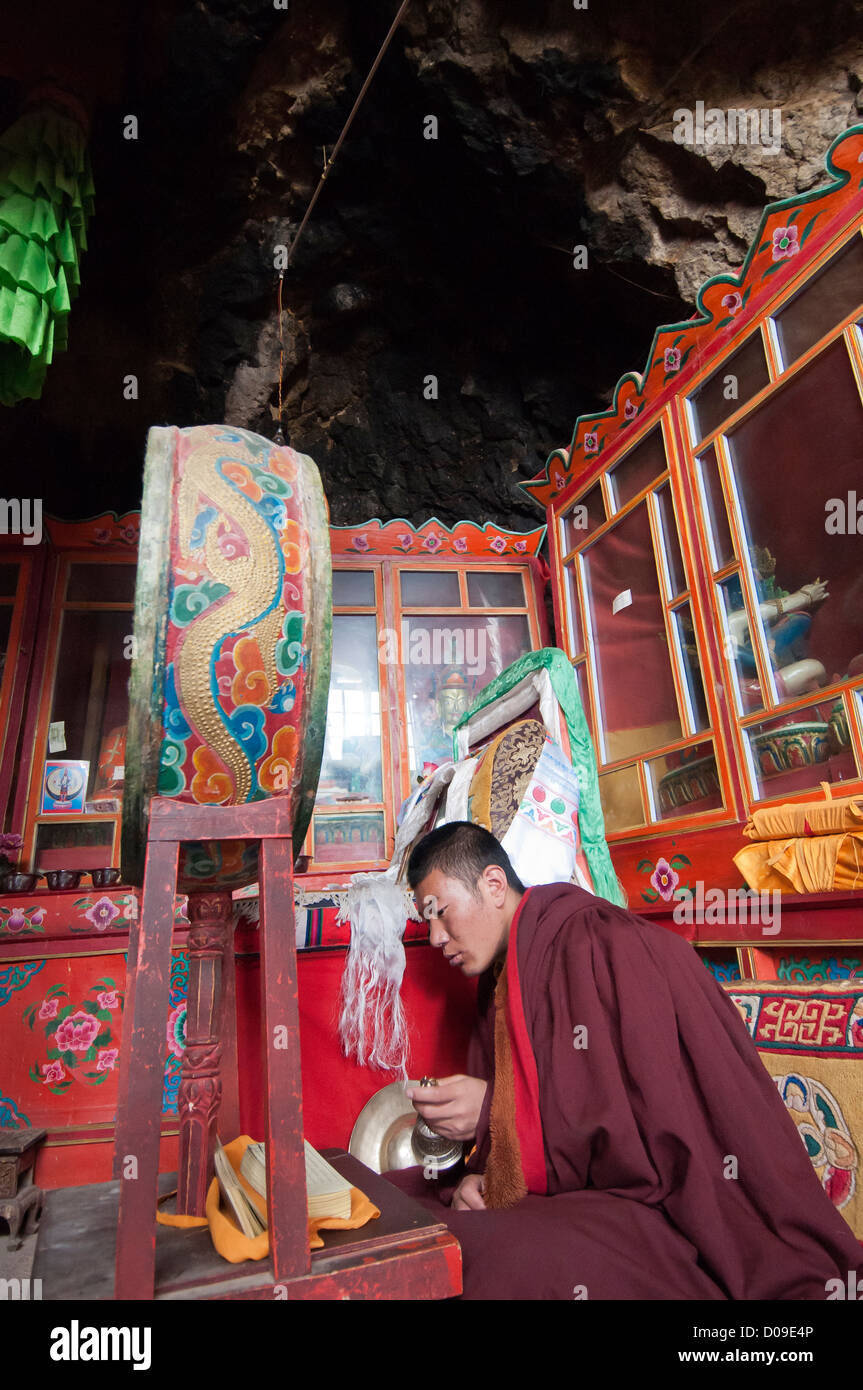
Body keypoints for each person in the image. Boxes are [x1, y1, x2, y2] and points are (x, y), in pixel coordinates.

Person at [383, 820, 863, 1300]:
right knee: (403, 1209)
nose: (434, 937)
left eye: (441, 913)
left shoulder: (598, 943)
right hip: (582, 1190)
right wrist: (481, 1175)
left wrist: (494, 1112)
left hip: (671, 1203)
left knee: (487, 1262)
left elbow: (644, 1137)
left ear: (492, 885)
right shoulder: (505, 971)